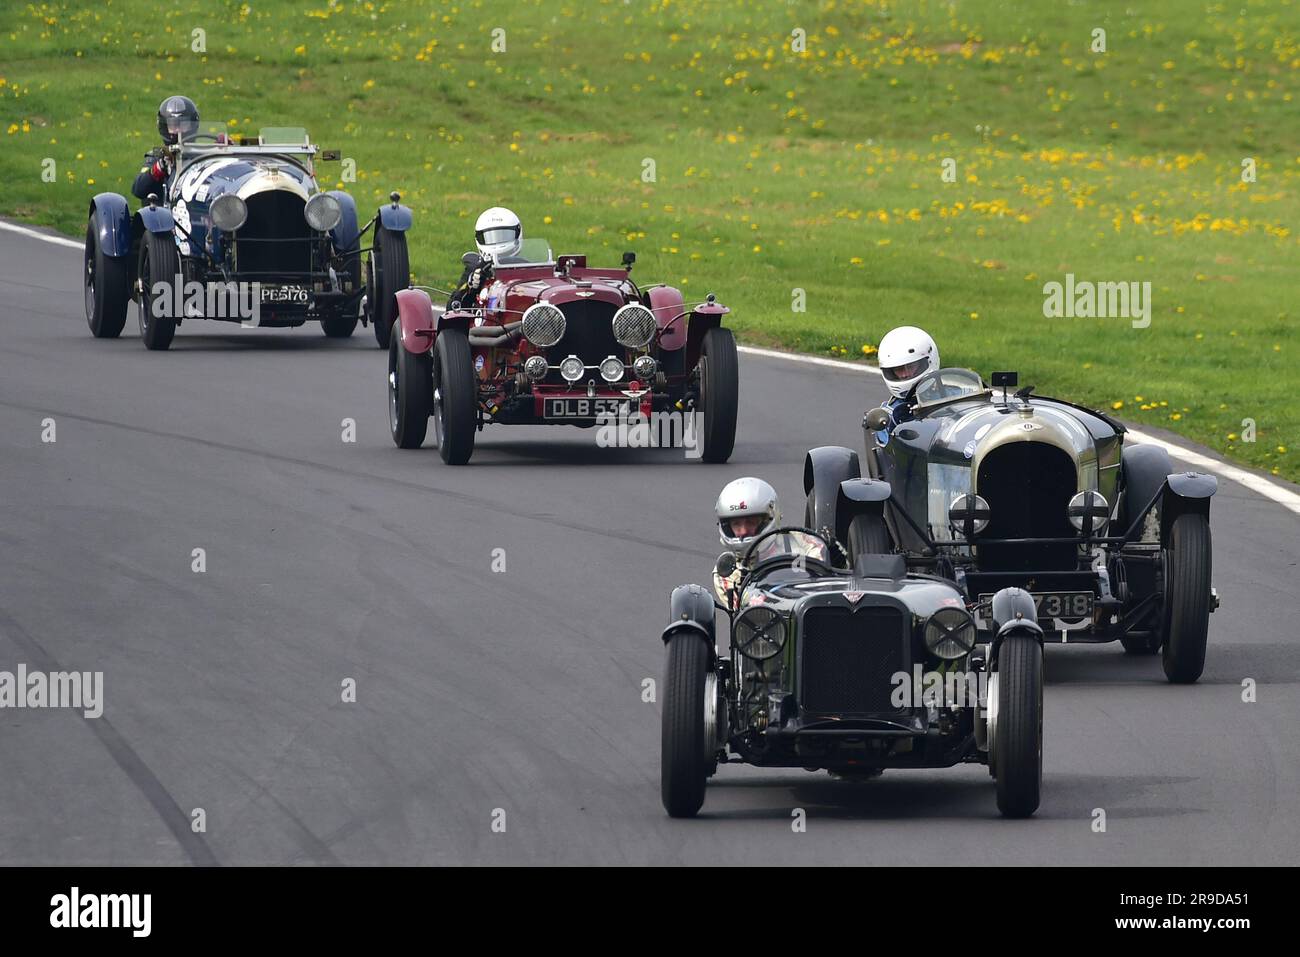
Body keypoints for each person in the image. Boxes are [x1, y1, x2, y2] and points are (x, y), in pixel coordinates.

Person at [712, 477, 828, 603]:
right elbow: (743, 610)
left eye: (751, 522)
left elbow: (824, 570)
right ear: (726, 527)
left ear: (768, 519)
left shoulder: (802, 542)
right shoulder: (725, 572)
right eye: (736, 524)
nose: (743, 531)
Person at [870, 325, 940, 443]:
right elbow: (893, 451)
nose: (905, 374)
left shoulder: (956, 393)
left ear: (929, 361)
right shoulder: (888, 414)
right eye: (898, 369)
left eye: (911, 366)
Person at [449, 206, 523, 308]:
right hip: (484, 320)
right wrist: (471, 288)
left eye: (504, 236)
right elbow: (452, 308)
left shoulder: (528, 268)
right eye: (491, 237)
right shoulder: (474, 270)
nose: (497, 243)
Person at [131, 95, 200, 203]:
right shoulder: (158, 155)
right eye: (173, 125)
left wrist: (222, 151)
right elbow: (138, 190)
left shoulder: (202, 154)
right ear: (164, 127)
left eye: (183, 124)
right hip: (163, 216)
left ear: (192, 125)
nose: (178, 130)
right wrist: (159, 168)